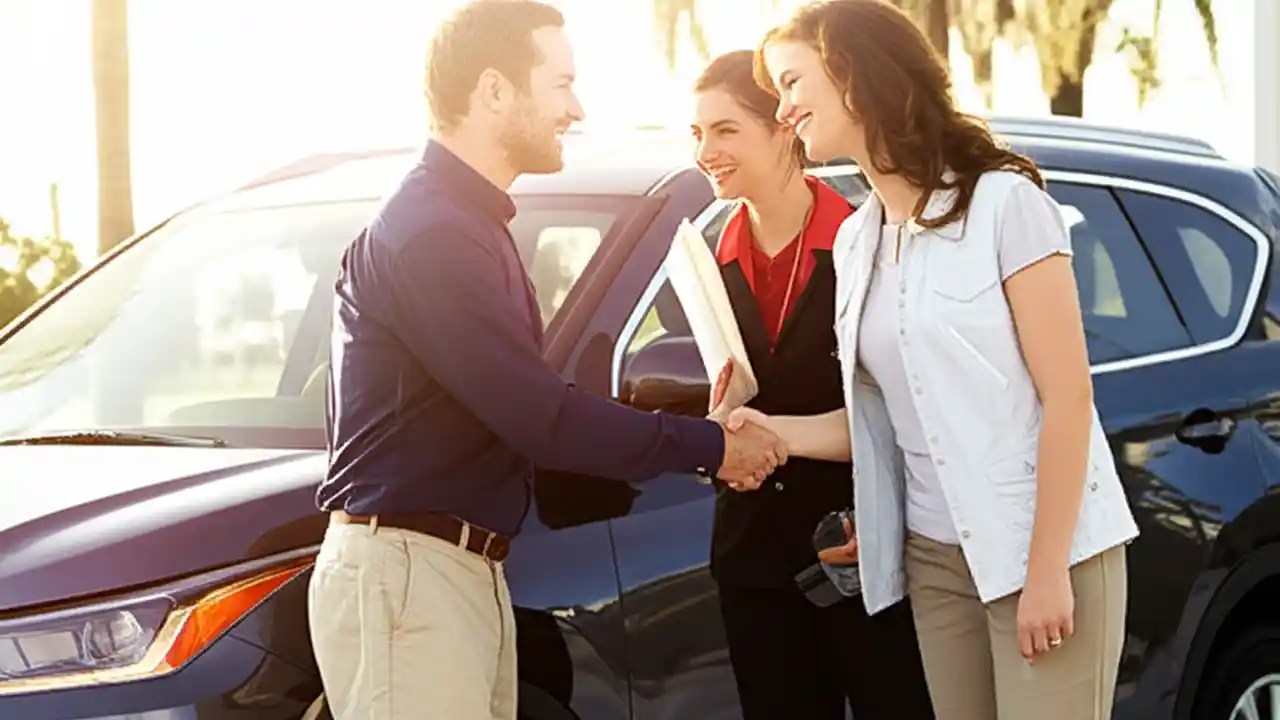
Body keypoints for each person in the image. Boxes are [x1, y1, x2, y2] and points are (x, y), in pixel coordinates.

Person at [306, 2, 787, 719]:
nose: (577, 107)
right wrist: (712, 445)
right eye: (560, 84)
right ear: (495, 90)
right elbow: (541, 416)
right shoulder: (436, 233)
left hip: (446, 575)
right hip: (412, 580)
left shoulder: (460, 221)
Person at [720, 2, 1142, 719]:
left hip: (1043, 555)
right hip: (936, 566)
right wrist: (761, 429)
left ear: (853, 74)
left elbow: (1068, 398)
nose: (783, 107)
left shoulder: (1006, 205)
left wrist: (1045, 572)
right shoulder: (856, 242)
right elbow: (877, 420)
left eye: (793, 83)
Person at [691, 50, 934, 720]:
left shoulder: (871, 242)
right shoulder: (710, 258)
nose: (706, 151)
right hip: (753, 568)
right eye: (698, 134)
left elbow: (906, 410)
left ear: (781, 127)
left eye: (725, 129)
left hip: (865, 554)